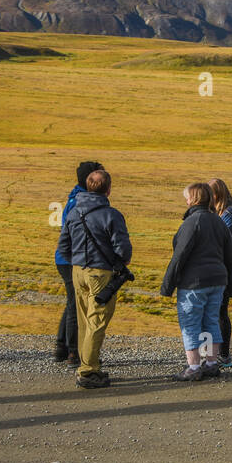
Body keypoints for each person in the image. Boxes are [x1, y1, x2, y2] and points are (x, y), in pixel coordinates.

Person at [55, 168, 132, 389]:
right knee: (96, 321)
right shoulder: (111, 215)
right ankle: (88, 371)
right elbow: (123, 248)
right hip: (101, 273)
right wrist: (118, 262)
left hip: (78, 270)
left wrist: (77, 261)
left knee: (83, 320)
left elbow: (63, 246)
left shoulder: (73, 212)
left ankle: (89, 364)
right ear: (108, 189)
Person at [161, 182, 232, 382]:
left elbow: (180, 255)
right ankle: (211, 363)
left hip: (194, 282)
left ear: (193, 199)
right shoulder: (219, 221)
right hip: (218, 281)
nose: (185, 200)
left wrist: (167, 285)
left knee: (191, 323)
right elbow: (230, 255)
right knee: (210, 320)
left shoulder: (192, 222)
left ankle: (194, 366)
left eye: (187, 197)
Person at [53, 160, 102, 366]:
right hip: (73, 259)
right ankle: (74, 352)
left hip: (68, 258)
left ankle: (61, 346)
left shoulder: (76, 198)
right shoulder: (80, 202)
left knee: (72, 302)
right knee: (76, 305)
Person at [208, 178, 232, 369]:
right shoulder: (225, 212)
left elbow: (223, 244)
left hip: (221, 268)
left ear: (217, 194)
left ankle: (222, 354)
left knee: (219, 312)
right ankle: (218, 353)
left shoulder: (229, 215)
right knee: (218, 312)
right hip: (220, 266)